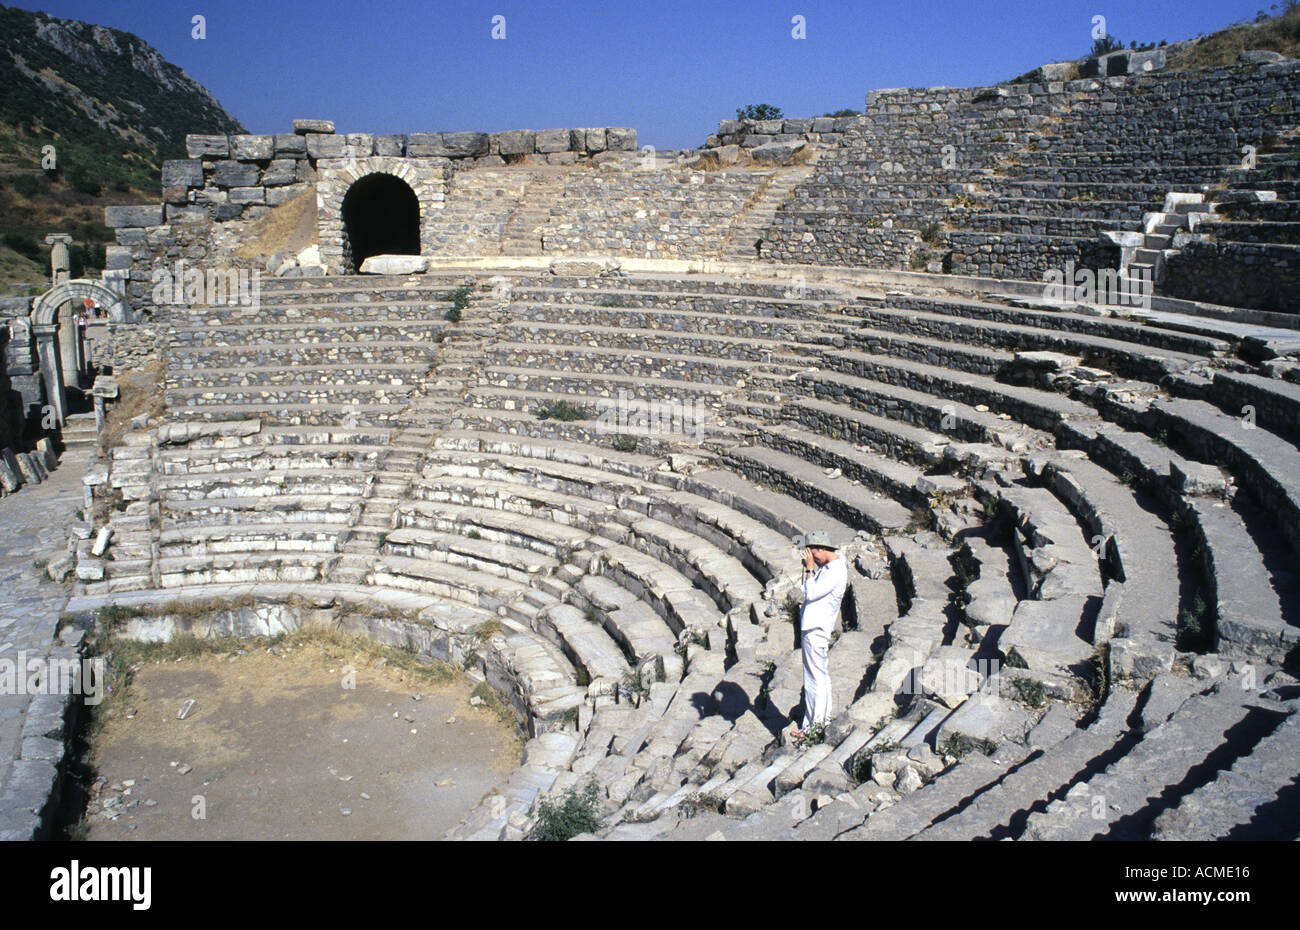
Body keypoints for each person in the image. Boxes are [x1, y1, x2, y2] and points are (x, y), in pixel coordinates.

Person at [791, 530, 847, 739]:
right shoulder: (831, 567)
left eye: (813, 554)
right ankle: (820, 720)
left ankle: (813, 726)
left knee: (814, 679)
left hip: (816, 629)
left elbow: (810, 592)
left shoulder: (834, 571)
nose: (812, 559)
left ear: (822, 549)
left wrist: (809, 569)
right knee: (819, 676)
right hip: (815, 628)